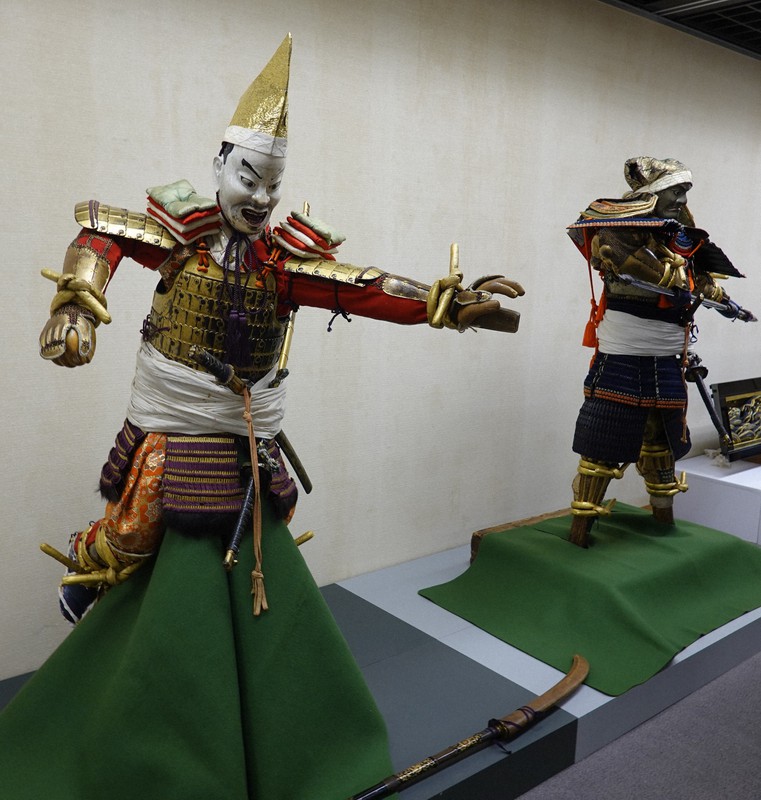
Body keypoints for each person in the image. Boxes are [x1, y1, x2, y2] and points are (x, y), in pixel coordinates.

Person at [0, 36, 523, 800]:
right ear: (219, 165)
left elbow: (359, 284)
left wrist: (440, 302)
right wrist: (77, 306)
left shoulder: (281, 262)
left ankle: (250, 661)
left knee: (263, 522)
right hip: (176, 412)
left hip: (248, 423)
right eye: (248, 178)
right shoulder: (181, 236)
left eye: (271, 187)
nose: (259, 199)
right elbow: (100, 236)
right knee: (140, 523)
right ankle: (90, 576)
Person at [566, 156, 750, 548]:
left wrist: (723, 299)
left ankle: (664, 524)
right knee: (602, 442)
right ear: (651, 195)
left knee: (661, 447)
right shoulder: (614, 233)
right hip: (622, 359)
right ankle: (580, 532)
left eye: (684, 192)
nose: (682, 198)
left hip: (666, 360)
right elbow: (624, 262)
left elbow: (699, 279)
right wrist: (678, 278)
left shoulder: (678, 237)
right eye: (676, 190)